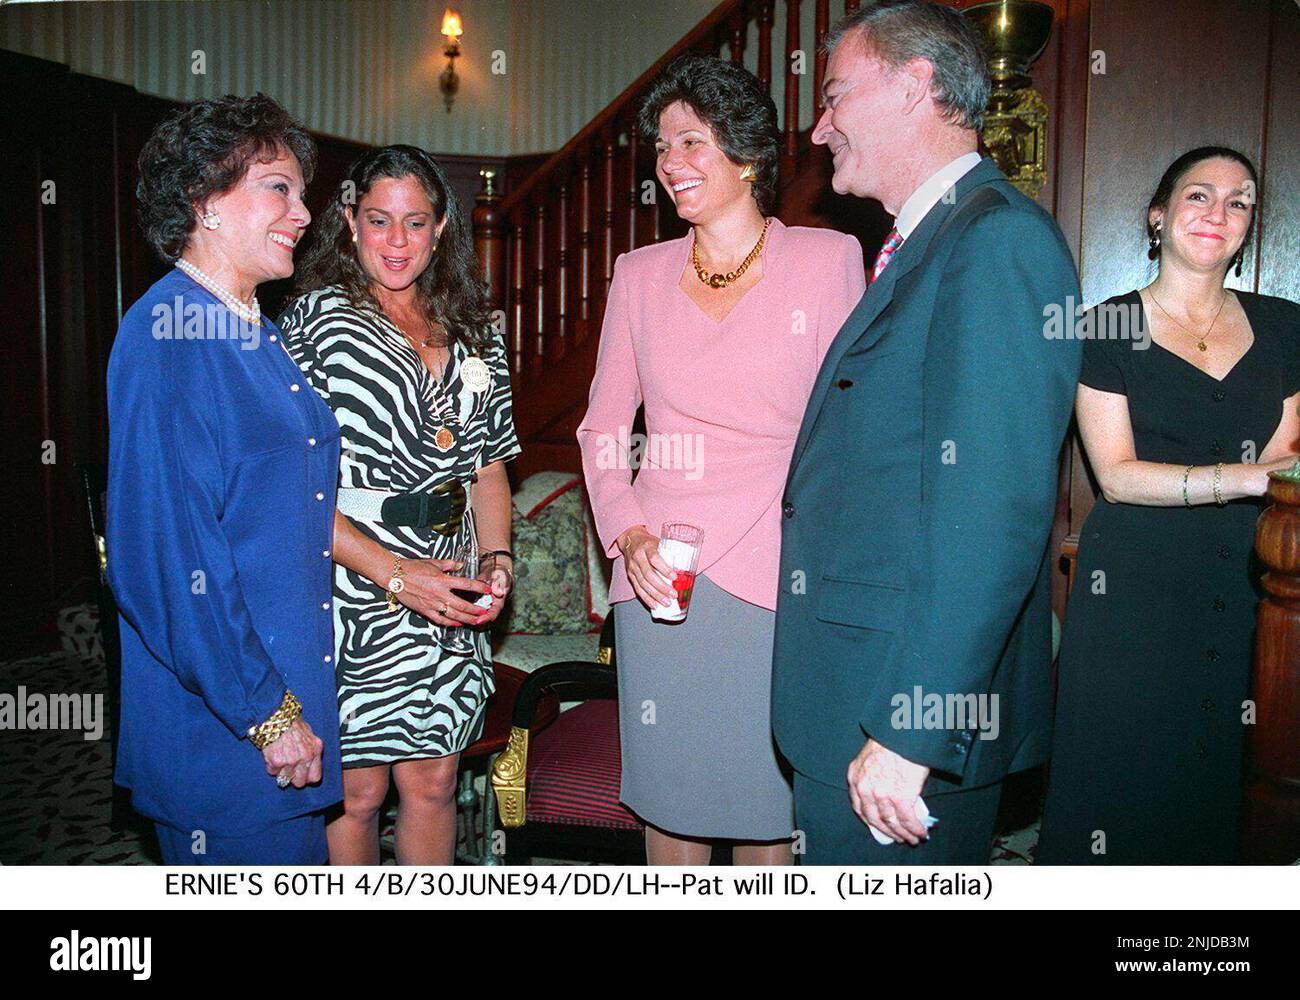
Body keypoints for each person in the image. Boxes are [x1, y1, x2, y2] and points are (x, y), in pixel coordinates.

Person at [772, 0, 1083, 864]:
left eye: (835, 96)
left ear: (915, 87)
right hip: (856, 699)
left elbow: (993, 513)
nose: (820, 124)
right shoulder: (928, 243)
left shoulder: (997, 245)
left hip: (898, 727)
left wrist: (913, 731)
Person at [578, 55, 865, 865]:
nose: (671, 163)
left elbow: (850, 431)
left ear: (746, 155)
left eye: (692, 141)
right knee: (672, 805)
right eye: (663, 147)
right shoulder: (636, 276)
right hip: (661, 577)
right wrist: (627, 537)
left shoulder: (829, 259)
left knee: (767, 811)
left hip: (783, 572)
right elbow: (602, 430)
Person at [1037, 148, 1300, 864]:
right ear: (1158, 215)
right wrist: (1240, 479)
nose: (1219, 213)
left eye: (1240, 201)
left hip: (1255, 584)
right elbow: (1117, 476)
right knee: (1121, 783)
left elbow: (1289, 461)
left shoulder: (1286, 326)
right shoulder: (1106, 326)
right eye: (1199, 196)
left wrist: (1258, 479)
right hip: (1135, 589)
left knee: (1227, 784)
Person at [107, 94, 338, 864]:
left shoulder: (249, 325)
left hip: (285, 712)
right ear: (205, 200)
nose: (303, 212)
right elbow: (167, 562)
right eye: (279, 186)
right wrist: (265, 711)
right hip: (227, 734)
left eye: (301, 192)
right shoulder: (166, 334)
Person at [279, 145, 518, 865]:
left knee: (436, 779)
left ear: (442, 227)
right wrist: (392, 574)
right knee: (355, 791)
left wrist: (499, 557)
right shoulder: (315, 322)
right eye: (379, 221)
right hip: (351, 583)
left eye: (415, 222)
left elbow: (489, 468)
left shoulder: (477, 329)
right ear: (350, 222)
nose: (397, 241)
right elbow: (289, 489)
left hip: (448, 581)